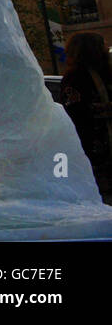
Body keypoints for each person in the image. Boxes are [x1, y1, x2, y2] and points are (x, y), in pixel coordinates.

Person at [59, 31, 112, 204]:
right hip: (97, 148)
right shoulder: (82, 76)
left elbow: (74, 112)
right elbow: (76, 112)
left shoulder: (82, 76)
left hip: (96, 148)